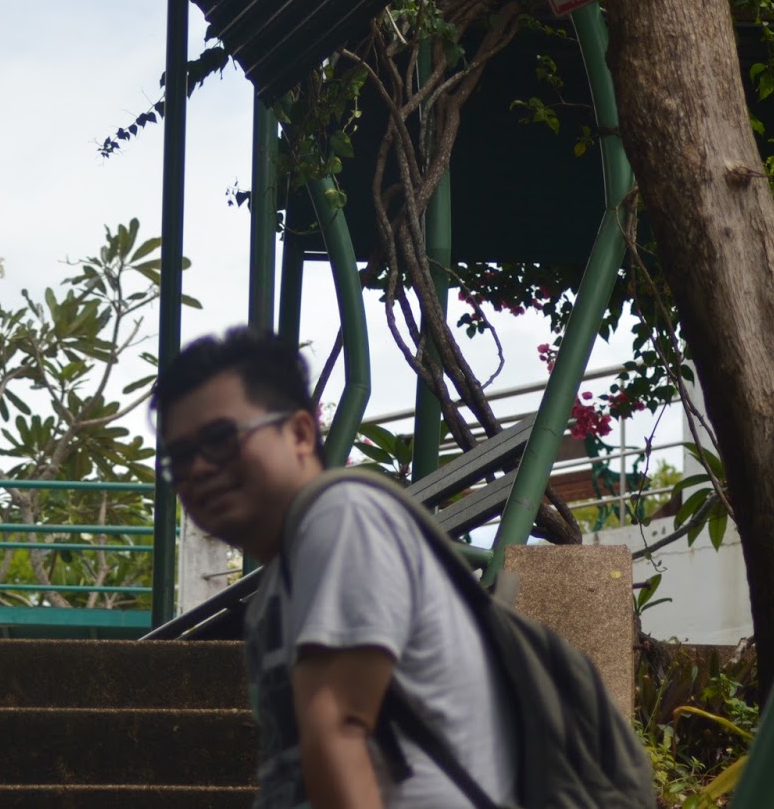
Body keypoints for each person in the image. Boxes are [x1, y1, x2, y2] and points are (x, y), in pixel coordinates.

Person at [153, 327, 518, 809]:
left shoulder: (342, 515)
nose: (197, 469)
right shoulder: (277, 591)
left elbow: (338, 725)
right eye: (178, 458)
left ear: (300, 432)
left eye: (220, 438)